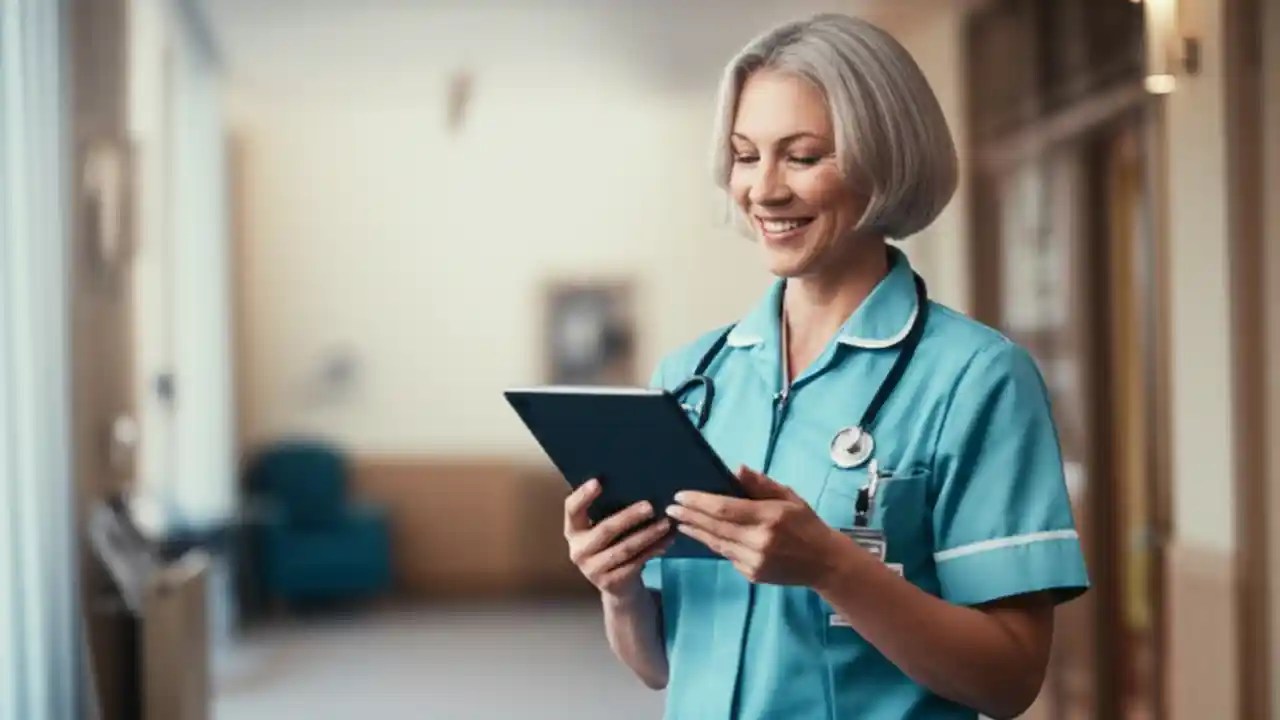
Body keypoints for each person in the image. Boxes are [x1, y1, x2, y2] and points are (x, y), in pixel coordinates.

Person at [561, 13, 1088, 720]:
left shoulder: (976, 379)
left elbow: (1010, 679)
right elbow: (660, 667)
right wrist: (618, 588)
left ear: (884, 157)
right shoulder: (691, 380)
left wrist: (833, 567)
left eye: (803, 156)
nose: (764, 191)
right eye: (746, 156)